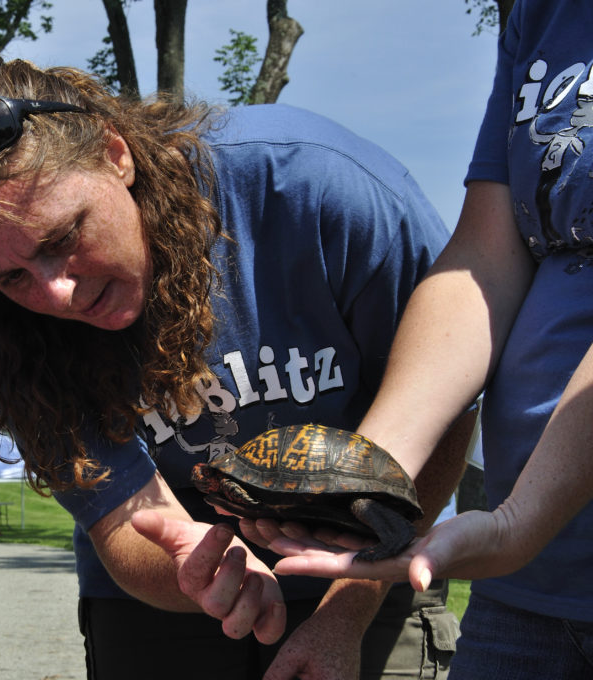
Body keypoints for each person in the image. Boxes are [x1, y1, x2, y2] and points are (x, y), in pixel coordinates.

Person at [0, 57, 470, 679]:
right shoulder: (13, 336)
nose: (56, 294)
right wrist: (203, 573)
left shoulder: (312, 185)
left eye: (63, 237)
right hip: (166, 597)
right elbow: (121, 519)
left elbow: (445, 408)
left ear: (115, 154)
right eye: (12, 276)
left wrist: (345, 612)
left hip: (378, 563)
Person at [200, 1, 593, 677]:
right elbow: (484, 259)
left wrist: (518, 524)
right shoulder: (541, 13)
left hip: (521, 533)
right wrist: (361, 474)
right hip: (527, 583)